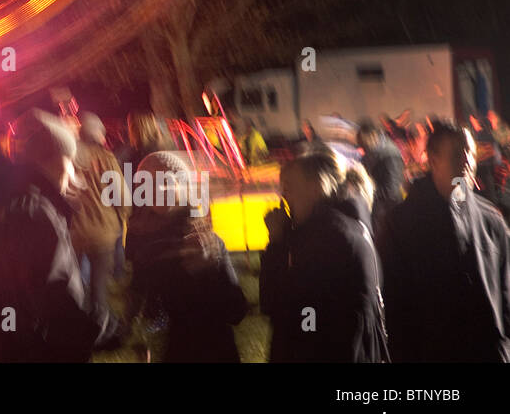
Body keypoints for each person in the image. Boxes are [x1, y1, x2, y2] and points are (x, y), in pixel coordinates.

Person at [0, 109, 116, 362]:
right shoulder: (34, 213)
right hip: (16, 351)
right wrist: (97, 330)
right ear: (54, 159)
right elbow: (53, 298)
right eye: (70, 161)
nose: (74, 173)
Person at [381, 122, 510, 362]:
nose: (467, 162)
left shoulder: (491, 220)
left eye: (470, 153)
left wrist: (503, 348)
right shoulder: (401, 223)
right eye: (457, 154)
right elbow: (395, 303)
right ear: (432, 160)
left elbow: (505, 293)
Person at [259, 151, 387, 362]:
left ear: (316, 187)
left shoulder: (326, 239)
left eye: (289, 187)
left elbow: (280, 305)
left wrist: (276, 243)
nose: (283, 197)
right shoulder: (346, 226)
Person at [125, 151, 247, 362]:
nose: (157, 190)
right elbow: (144, 305)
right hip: (173, 352)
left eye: (166, 181)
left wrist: (209, 272)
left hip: (215, 352)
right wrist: (138, 332)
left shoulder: (207, 241)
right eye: (147, 183)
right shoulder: (143, 243)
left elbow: (236, 310)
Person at [68, 111, 128, 313]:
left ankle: (79, 325)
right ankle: (99, 326)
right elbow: (121, 196)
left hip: (73, 233)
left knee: (76, 286)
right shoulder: (106, 159)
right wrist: (125, 217)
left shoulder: (68, 159)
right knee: (99, 288)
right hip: (103, 231)